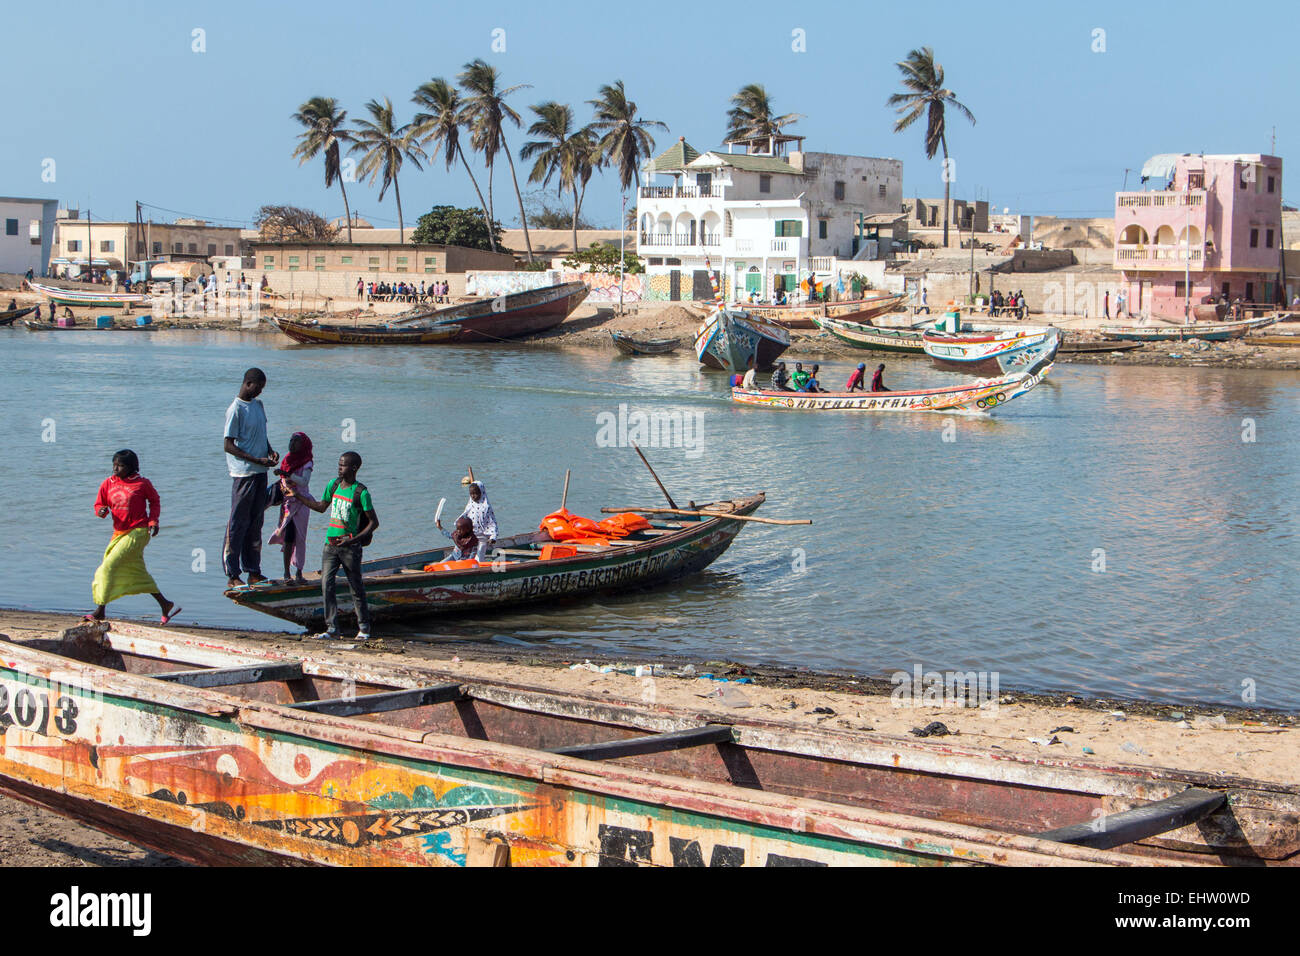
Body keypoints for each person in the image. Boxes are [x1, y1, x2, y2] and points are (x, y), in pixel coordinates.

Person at [288, 451, 378, 639]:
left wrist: (353, 540)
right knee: (326, 584)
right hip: (330, 546)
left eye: (343, 465)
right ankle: (332, 629)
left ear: (354, 468)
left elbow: (373, 523)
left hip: (350, 548)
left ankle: (364, 629)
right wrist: (296, 495)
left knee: (356, 586)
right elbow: (321, 507)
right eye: (339, 464)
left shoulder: (361, 492)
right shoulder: (333, 485)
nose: (339, 468)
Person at [87, 449, 180, 624]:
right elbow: (100, 503)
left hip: (138, 531)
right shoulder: (108, 483)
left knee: (107, 567)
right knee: (138, 572)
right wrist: (100, 511)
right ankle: (165, 604)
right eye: (114, 465)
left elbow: (155, 501)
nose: (115, 469)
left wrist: (153, 521)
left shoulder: (142, 484)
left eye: (120, 466)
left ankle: (100, 610)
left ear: (131, 467)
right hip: (119, 533)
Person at [223, 368, 278, 587]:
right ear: (248, 383)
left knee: (256, 522)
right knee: (238, 523)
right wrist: (255, 459)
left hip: (260, 472)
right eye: (259, 387)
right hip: (243, 474)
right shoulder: (235, 409)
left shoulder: (258, 405)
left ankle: (253, 571)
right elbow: (228, 445)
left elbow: (262, 436)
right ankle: (232, 574)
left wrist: (270, 452)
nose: (260, 392)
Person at [267, 431, 313, 584]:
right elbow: (283, 480)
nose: (292, 443)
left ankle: (299, 572)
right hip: (288, 503)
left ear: (303, 445)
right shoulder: (287, 460)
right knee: (288, 536)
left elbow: (304, 482)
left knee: (300, 538)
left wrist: (288, 475)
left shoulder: (307, 461)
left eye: (296, 441)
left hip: (301, 503)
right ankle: (287, 573)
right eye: (291, 440)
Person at [456, 481, 498, 561]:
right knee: (466, 555)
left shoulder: (486, 507)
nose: (473, 496)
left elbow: (492, 523)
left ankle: (478, 568)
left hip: (482, 537)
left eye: (475, 493)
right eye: (471, 494)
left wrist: (493, 537)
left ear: (481, 492)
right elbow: (463, 518)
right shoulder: (470, 505)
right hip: (471, 537)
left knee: (479, 556)